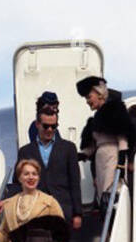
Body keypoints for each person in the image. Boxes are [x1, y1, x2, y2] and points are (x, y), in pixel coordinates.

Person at [6, 94, 83, 230]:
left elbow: (74, 182)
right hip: (35, 211)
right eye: (46, 126)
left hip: (62, 209)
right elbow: (18, 183)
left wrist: (77, 213)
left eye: (53, 127)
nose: (49, 130)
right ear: (37, 125)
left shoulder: (68, 148)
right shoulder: (25, 151)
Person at [0, 157, 64, 242]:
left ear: (38, 178)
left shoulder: (50, 203)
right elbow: (4, 233)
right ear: (19, 178)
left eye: (34, 174)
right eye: (26, 174)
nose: (31, 177)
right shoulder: (10, 204)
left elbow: (61, 231)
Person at [76, 76, 134, 206]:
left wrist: (120, 164)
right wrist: (81, 155)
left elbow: (123, 139)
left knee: (112, 195)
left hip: (112, 157)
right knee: (103, 196)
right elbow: (93, 146)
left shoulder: (115, 111)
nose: (87, 101)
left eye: (89, 97)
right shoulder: (95, 119)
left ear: (99, 94)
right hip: (100, 160)